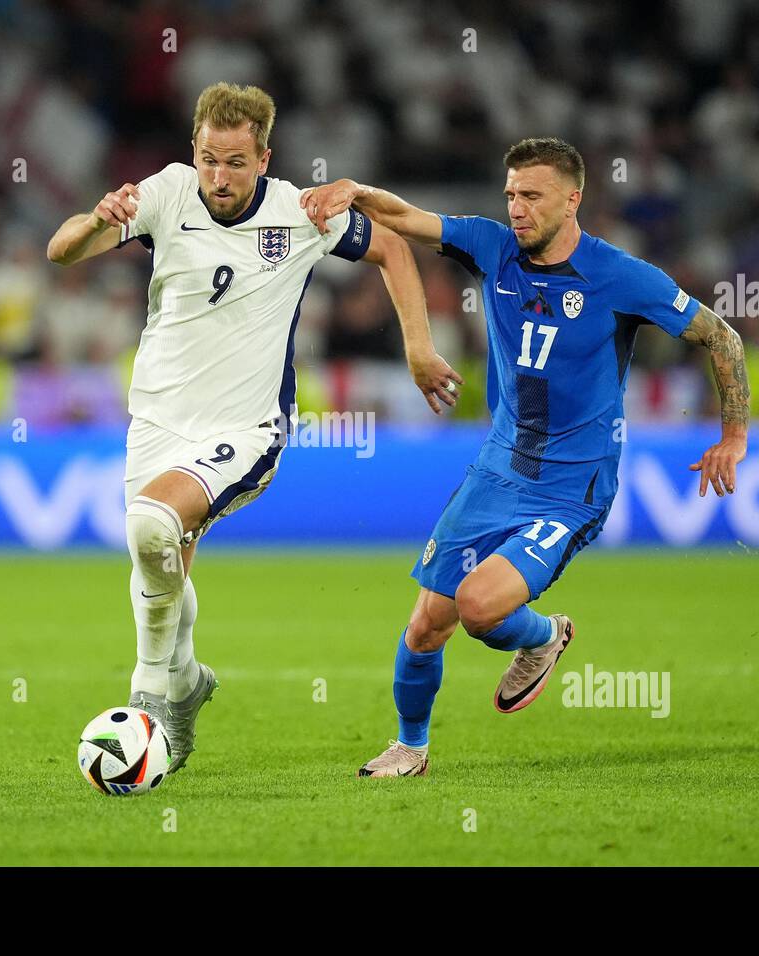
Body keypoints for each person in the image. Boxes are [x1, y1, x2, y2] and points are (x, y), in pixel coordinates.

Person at [301, 137, 751, 777]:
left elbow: (721, 335)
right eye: (510, 194)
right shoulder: (493, 248)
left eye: (532, 195)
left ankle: (544, 636)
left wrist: (733, 437)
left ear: (573, 200)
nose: (516, 207)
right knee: (428, 621)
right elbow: (407, 220)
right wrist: (356, 191)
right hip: (498, 469)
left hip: (573, 489)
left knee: (481, 608)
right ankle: (411, 747)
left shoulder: (618, 276)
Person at [47, 82, 460, 773]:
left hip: (246, 429)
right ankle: (184, 685)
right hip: (154, 419)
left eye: (236, 163)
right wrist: (96, 219)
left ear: (264, 158)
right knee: (160, 559)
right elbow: (61, 252)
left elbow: (390, 245)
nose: (220, 177)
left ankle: (149, 697)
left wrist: (419, 346)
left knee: (152, 527)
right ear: (194, 152)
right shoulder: (168, 192)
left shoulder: (299, 213)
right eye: (210, 159)